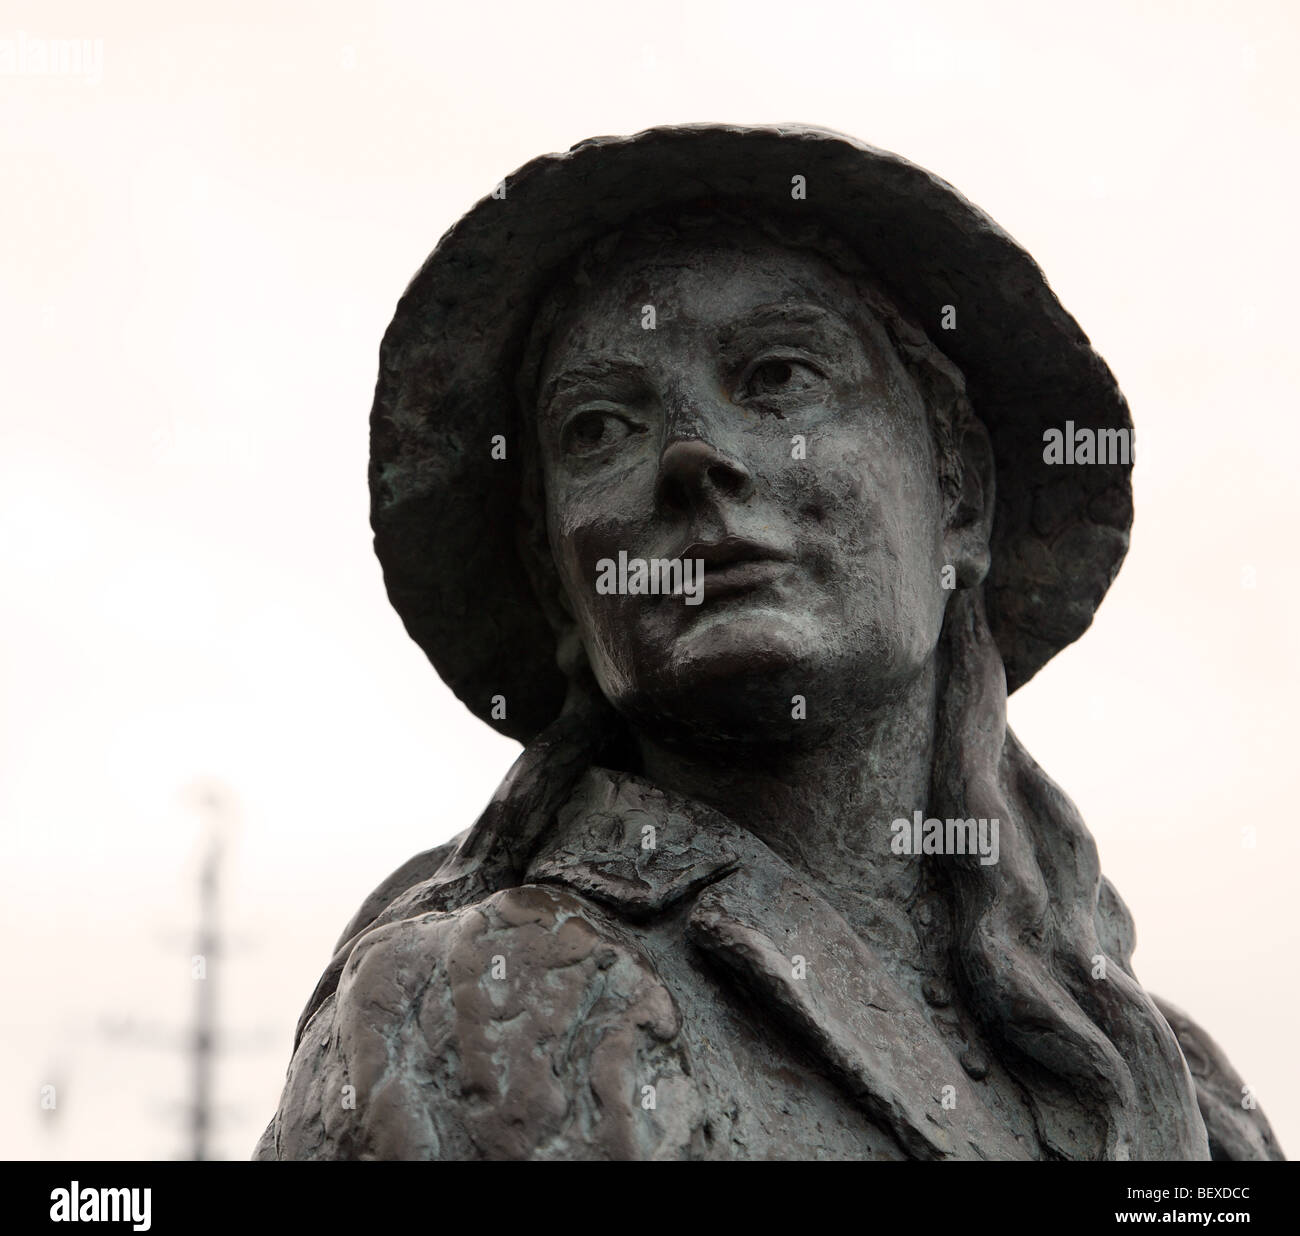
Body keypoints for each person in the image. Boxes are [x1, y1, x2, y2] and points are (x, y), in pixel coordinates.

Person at [256, 124, 1282, 1161]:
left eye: (779, 376)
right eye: (601, 427)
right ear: (560, 585)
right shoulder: (469, 1009)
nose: (694, 458)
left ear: (959, 492)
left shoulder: (1191, 1106)